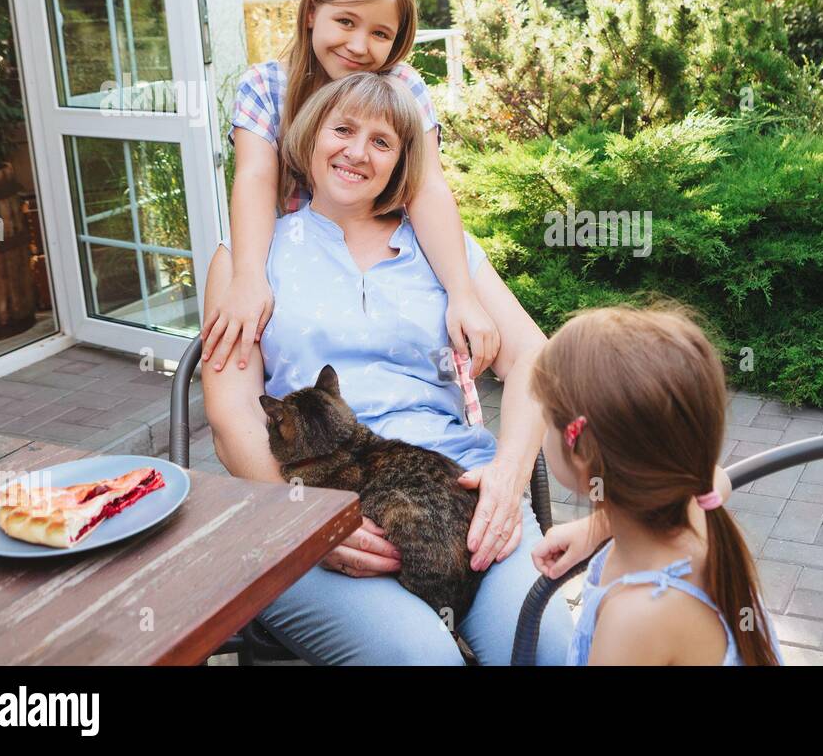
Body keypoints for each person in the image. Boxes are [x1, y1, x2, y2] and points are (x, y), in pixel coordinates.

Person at [204, 72, 572, 665]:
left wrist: (507, 476)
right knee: (422, 661)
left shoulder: (441, 248)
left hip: (462, 498)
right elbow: (229, 413)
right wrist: (308, 525)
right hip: (314, 505)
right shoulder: (251, 255)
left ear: (403, 161)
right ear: (307, 138)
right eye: (342, 130)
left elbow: (538, 358)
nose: (356, 151)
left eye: (382, 141)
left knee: (548, 651)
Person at [202, 0, 498, 380]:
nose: (359, 46)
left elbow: (428, 187)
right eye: (345, 21)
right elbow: (255, 179)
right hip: (297, 266)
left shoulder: (401, 88)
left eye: (380, 33)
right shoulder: (266, 86)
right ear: (311, 12)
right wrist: (247, 276)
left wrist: (461, 291)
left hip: (377, 264)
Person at [530, 305, 782, 665]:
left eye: (546, 418)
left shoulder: (635, 621)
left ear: (580, 447)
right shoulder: (696, 504)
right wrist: (597, 527)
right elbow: (715, 476)